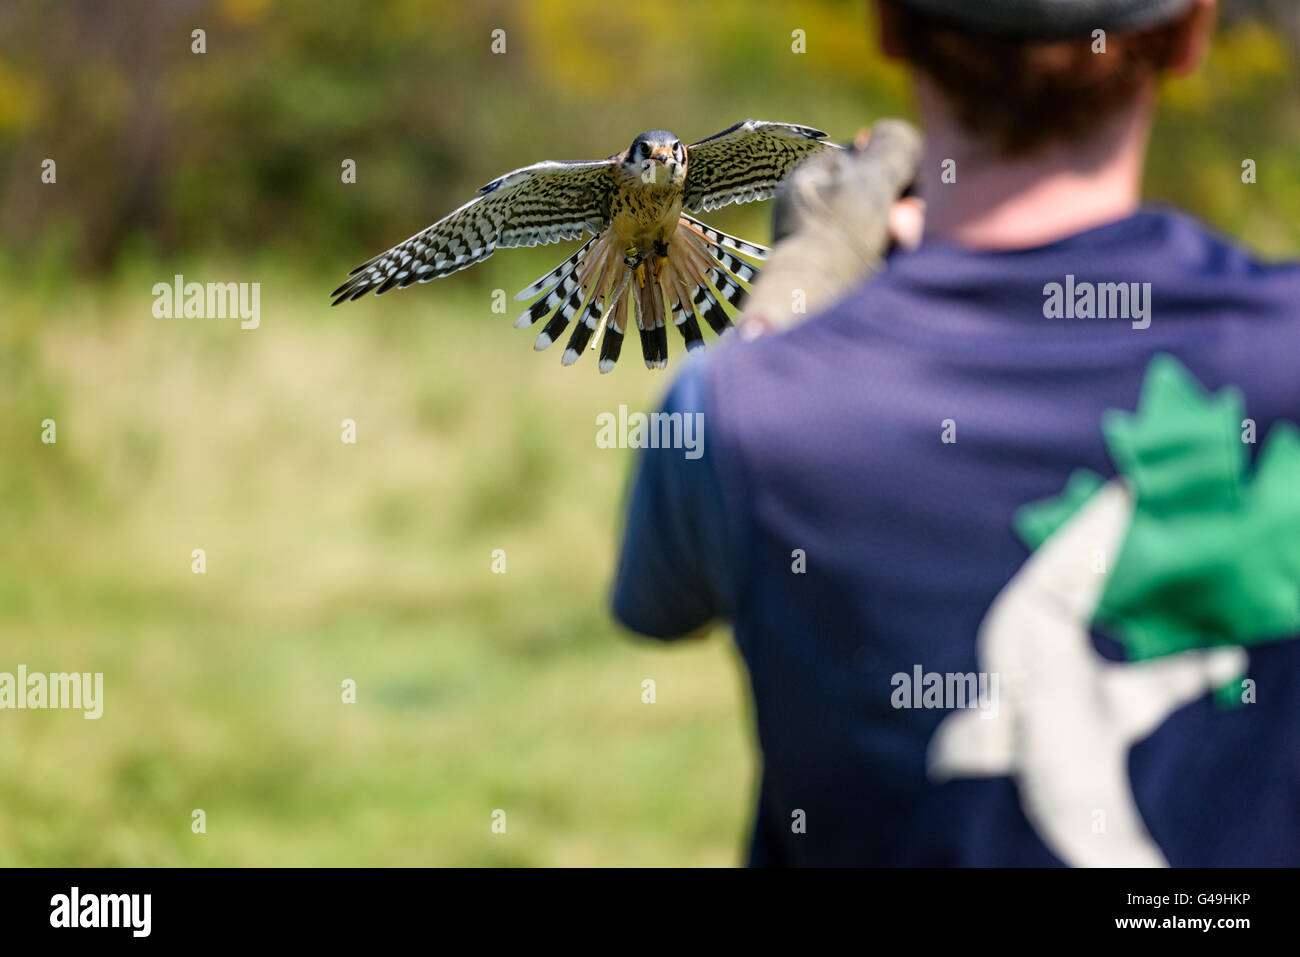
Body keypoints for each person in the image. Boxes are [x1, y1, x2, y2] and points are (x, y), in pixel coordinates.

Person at [610, 0, 1300, 866]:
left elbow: (657, 606)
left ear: (890, 29)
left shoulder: (739, 409)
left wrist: (798, 302)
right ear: (1193, 31)